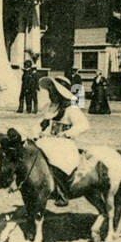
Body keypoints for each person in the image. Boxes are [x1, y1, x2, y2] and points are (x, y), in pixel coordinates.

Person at [35, 74, 91, 206]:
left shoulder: (71, 109)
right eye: (50, 91)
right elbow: (42, 123)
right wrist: (37, 131)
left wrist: (67, 133)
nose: (50, 94)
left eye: (53, 91)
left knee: (56, 158)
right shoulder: (50, 107)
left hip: (64, 142)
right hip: (49, 140)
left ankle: (61, 191)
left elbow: (84, 125)